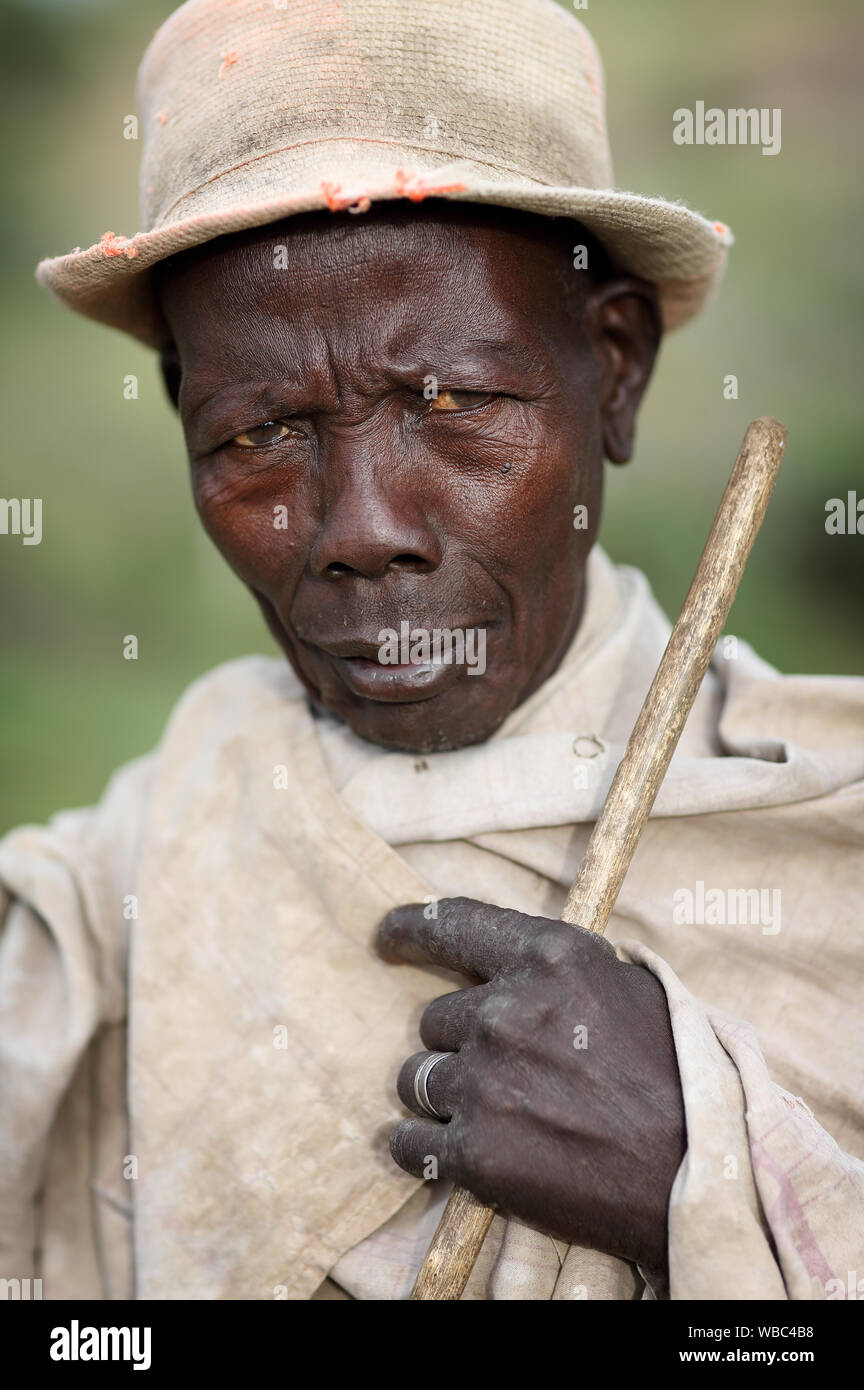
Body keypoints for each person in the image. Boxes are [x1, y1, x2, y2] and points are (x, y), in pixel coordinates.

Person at [3, 0, 861, 1301]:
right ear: (181, 419)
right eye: (259, 434)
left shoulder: (827, 846)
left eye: (452, 402)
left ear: (615, 369)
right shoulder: (116, 894)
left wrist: (700, 1171)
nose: (363, 533)